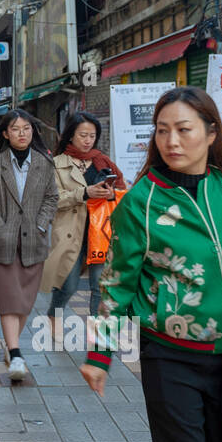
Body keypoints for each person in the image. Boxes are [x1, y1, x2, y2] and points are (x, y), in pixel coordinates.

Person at [80, 86, 222, 442]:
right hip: (172, 359)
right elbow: (116, 283)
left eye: (184, 130)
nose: (171, 141)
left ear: (210, 132)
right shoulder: (140, 203)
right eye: (162, 130)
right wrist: (99, 356)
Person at [0, 110, 58, 380]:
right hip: (4, 242)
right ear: (5, 134)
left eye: (26, 129)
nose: (22, 134)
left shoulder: (44, 163)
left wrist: (40, 224)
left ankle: (11, 347)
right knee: (10, 299)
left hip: (35, 241)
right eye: (16, 129)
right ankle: (16, 353)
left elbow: (51, 198)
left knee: (25, 301)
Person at [40, 111, 127, 346]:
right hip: (71, 233)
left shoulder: (104, 161)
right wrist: (85, 193)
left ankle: (97, 334)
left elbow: (121, 191)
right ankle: (54, 313)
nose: (88, 140)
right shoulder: (57, 164)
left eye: (92, 135)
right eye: (83, 135)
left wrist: (111, 194)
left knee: (99, 287)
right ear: (70, 136)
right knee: (67, 285)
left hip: (101, 233)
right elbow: (50, 199)